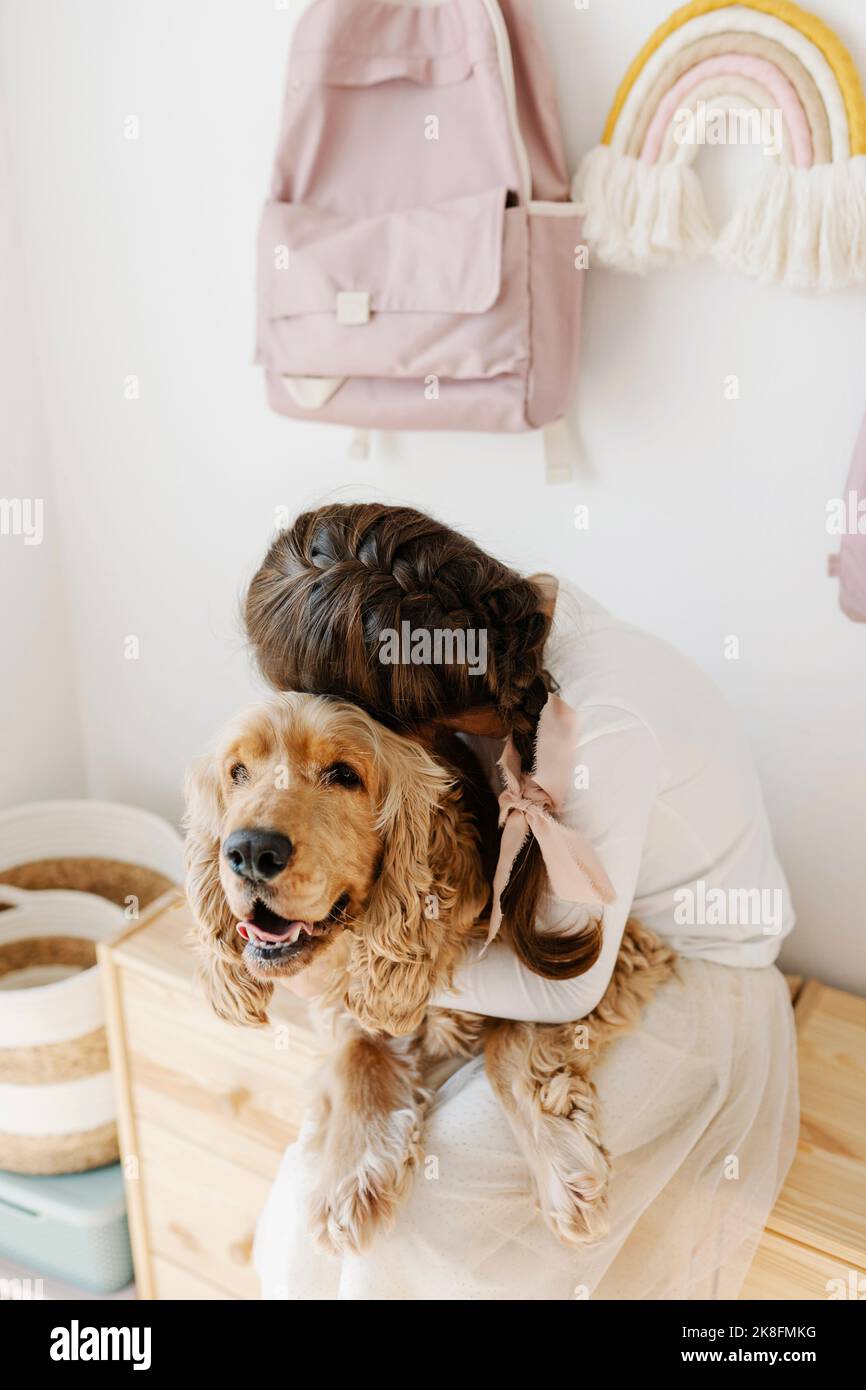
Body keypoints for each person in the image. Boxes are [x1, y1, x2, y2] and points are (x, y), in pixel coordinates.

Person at [244, 502, 798, 1301]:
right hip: (517, 950)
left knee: (436, 1214)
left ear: (396, 711)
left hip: (684, 971)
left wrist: (347, 972)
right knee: (319, 1177)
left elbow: (567, 981)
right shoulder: (487, 645)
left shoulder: (600, 722)